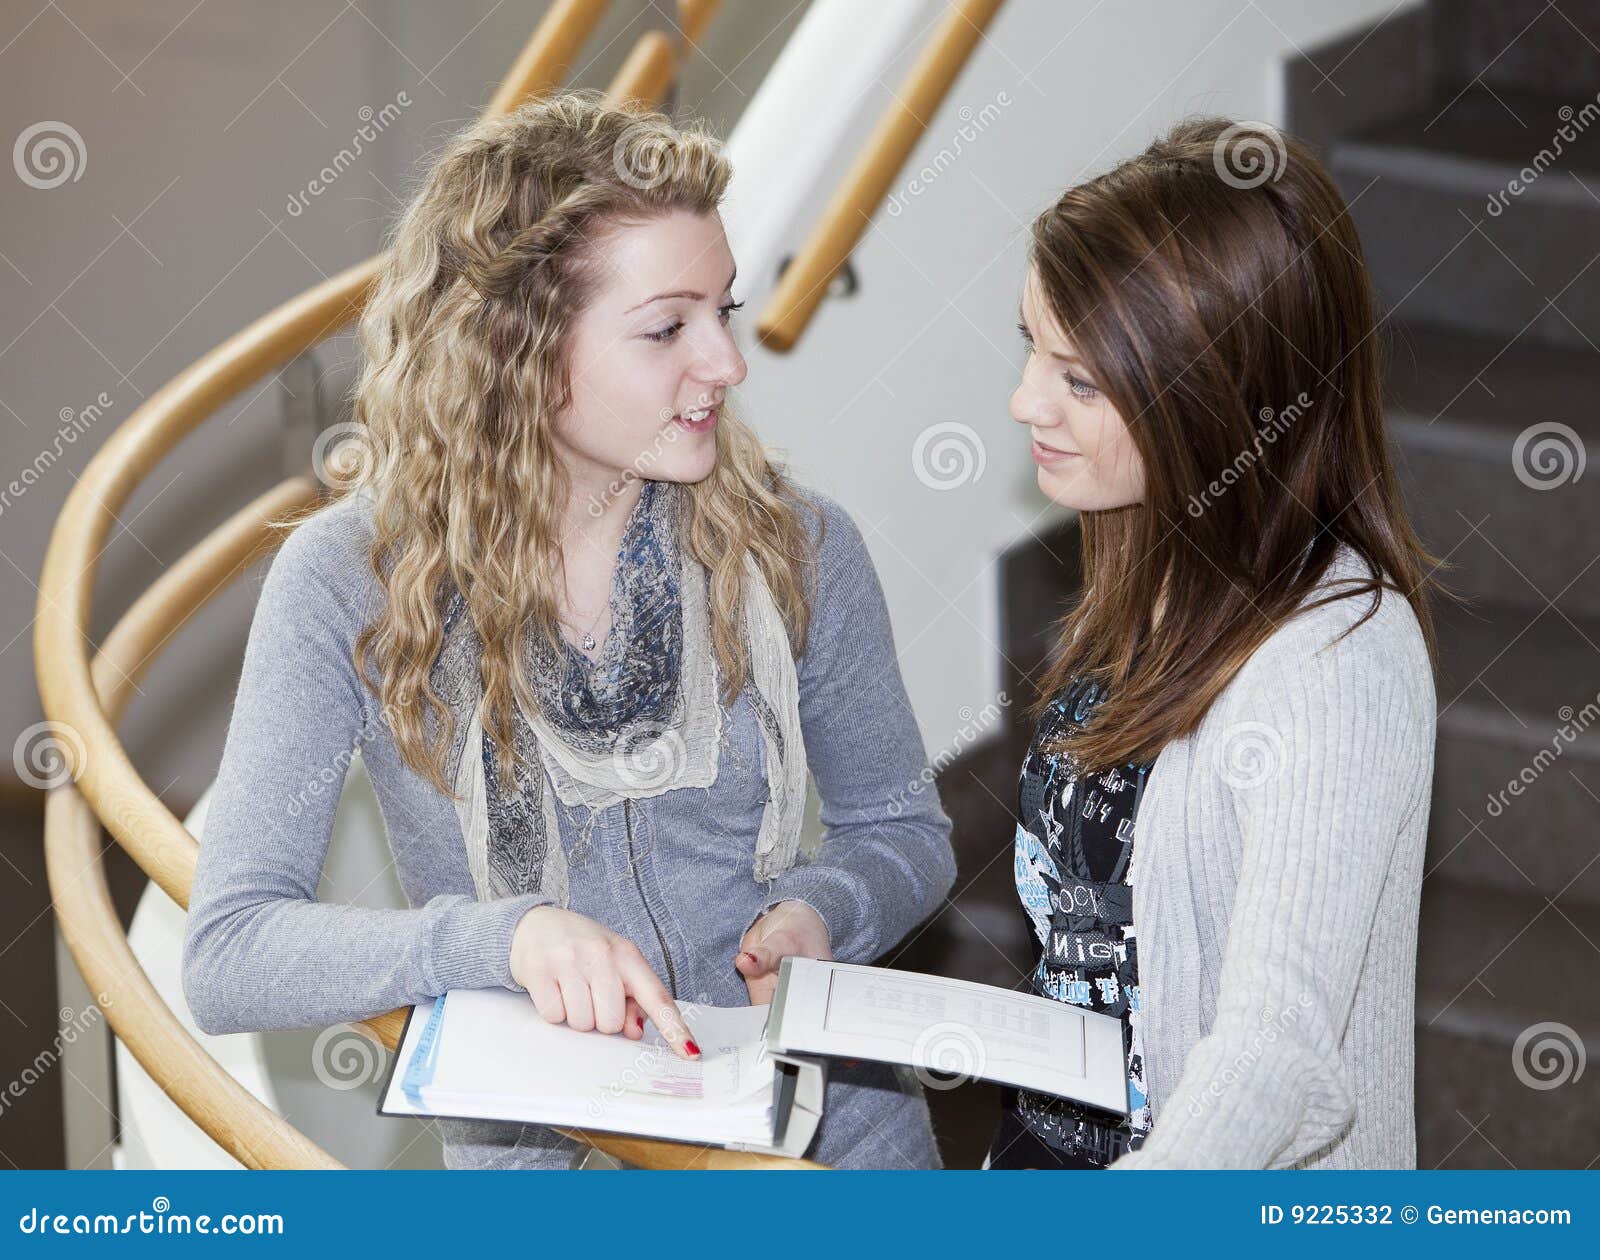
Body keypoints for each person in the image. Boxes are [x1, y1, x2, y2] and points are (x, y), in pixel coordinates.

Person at [182, 92, 956, 1171]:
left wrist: (825, 910)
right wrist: (500, 938)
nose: (725, 364)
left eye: (723, 311)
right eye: (666, 327)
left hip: (829, 1157)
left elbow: (904, 835)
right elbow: (232, 954)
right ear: (519, 346)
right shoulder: (344, 581)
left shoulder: (799, 545)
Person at [984, 117, 1446, 1169]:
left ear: (1214, 399)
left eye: (1080, 381)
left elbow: (1277, 1061)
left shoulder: (1337, 666)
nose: (1024, 404)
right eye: (1032, 351)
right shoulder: (1146, 564)